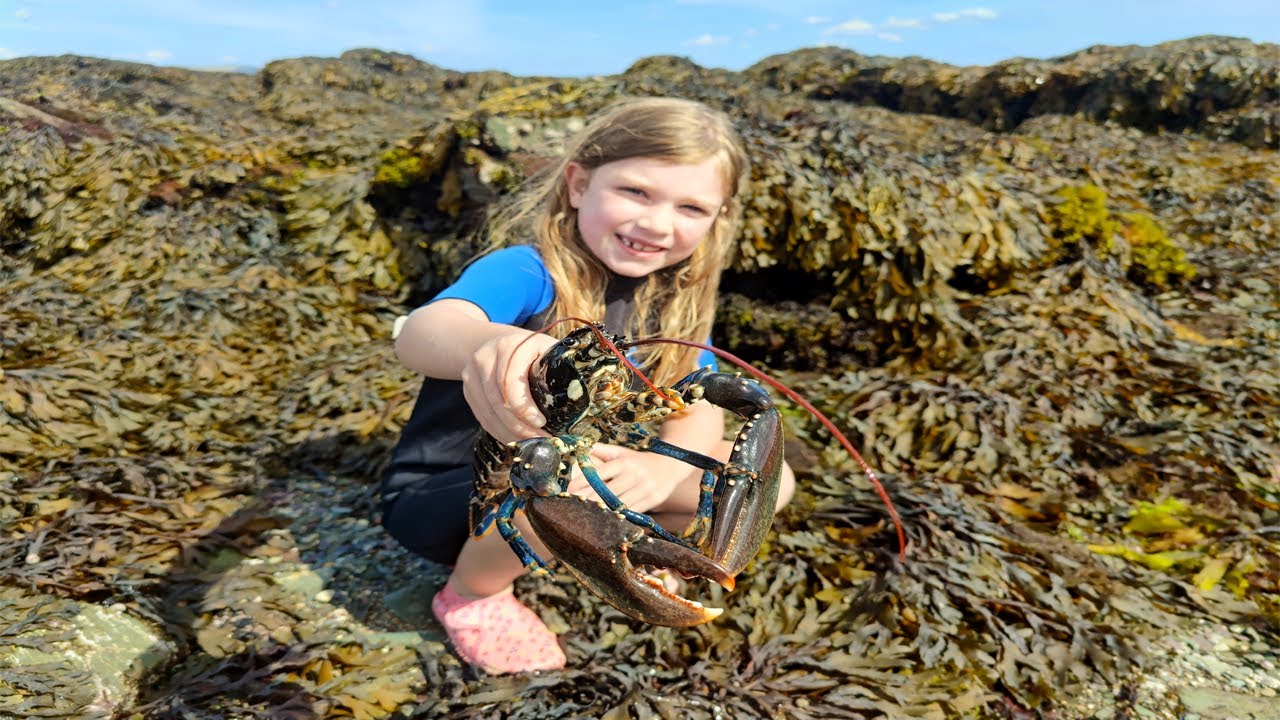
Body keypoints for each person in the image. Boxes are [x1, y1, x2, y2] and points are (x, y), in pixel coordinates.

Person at [380, 96, 796, 675]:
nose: (656, 223)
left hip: (570, 479)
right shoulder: (526, 271)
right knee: (560, 472)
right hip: (446, 499)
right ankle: (473, 596)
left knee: (773, 478)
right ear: (578, 184)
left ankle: (688, 556)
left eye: (691, 207)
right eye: (635, 192)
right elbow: (422, 331)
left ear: (717, 219)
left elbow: (699, 407)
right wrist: (497, 346)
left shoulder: (671, 301)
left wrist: (668, 470)